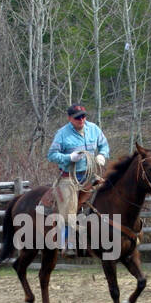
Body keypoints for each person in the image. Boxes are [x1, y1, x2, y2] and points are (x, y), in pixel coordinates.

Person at [46, 104, 109, 252]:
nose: (81, 120)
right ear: (70, 118)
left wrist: (102, 155)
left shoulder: (94, 129)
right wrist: (69, 157)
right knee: (69, 207)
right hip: (70, 177)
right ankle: (67, 243)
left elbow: (104, 146)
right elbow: (51, 155)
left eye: (83, 116)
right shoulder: (62, 134)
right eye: (77, 118)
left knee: (112, 192)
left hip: (90, 175)